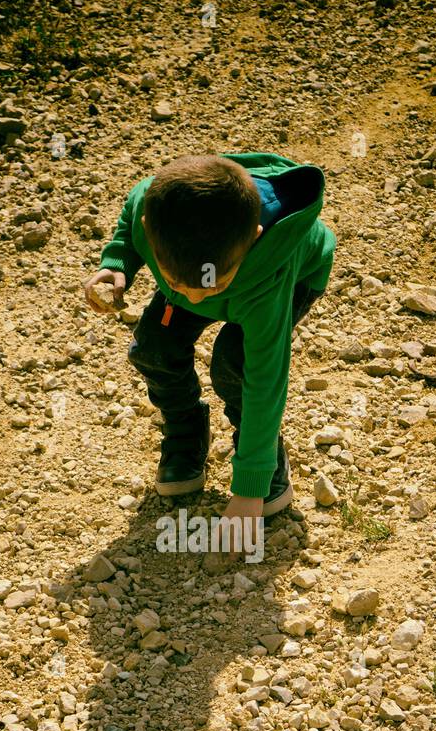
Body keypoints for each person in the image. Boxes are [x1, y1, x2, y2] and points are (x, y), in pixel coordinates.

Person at [84, 152, 335, 544]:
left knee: (234, 364)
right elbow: (132, 213)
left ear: (252, 236)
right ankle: (186, 434)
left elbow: (266, 381)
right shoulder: (150, 211)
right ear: (150, 231)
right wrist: (120, 262)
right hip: (210, 271)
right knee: (153, 347)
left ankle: (265, 466)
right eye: (182, 285)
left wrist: (248, 492)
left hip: (273, 278)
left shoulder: (268, 273)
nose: (198, 301)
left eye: (210, 286)